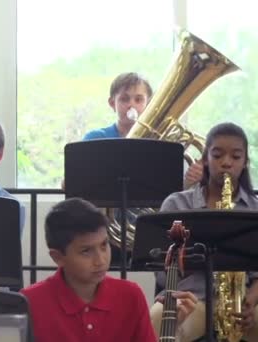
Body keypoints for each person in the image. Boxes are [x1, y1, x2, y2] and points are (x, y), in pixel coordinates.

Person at [21, 198, 197, 342]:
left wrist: (172, 329)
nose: (100, 260)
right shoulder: (29, 302)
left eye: (104, 245)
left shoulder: (130, 295)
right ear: (58, 257)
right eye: (86, 251)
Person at [152, 122, 258, 341]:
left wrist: (251, 300)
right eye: (217, 155)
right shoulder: (177, 204)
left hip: (242, 302)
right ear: (205, 159)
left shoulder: (255, 209)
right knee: (157, 320)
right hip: (191, 298)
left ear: (245, 163)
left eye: (236, 157)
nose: (226, 163)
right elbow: (161, 273)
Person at [83, 72, 153, 140]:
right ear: (112, 103)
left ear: (148, 104)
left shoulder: (154, 138)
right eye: (124, 99)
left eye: (138, 100)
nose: (131, 105)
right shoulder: (95, 138)